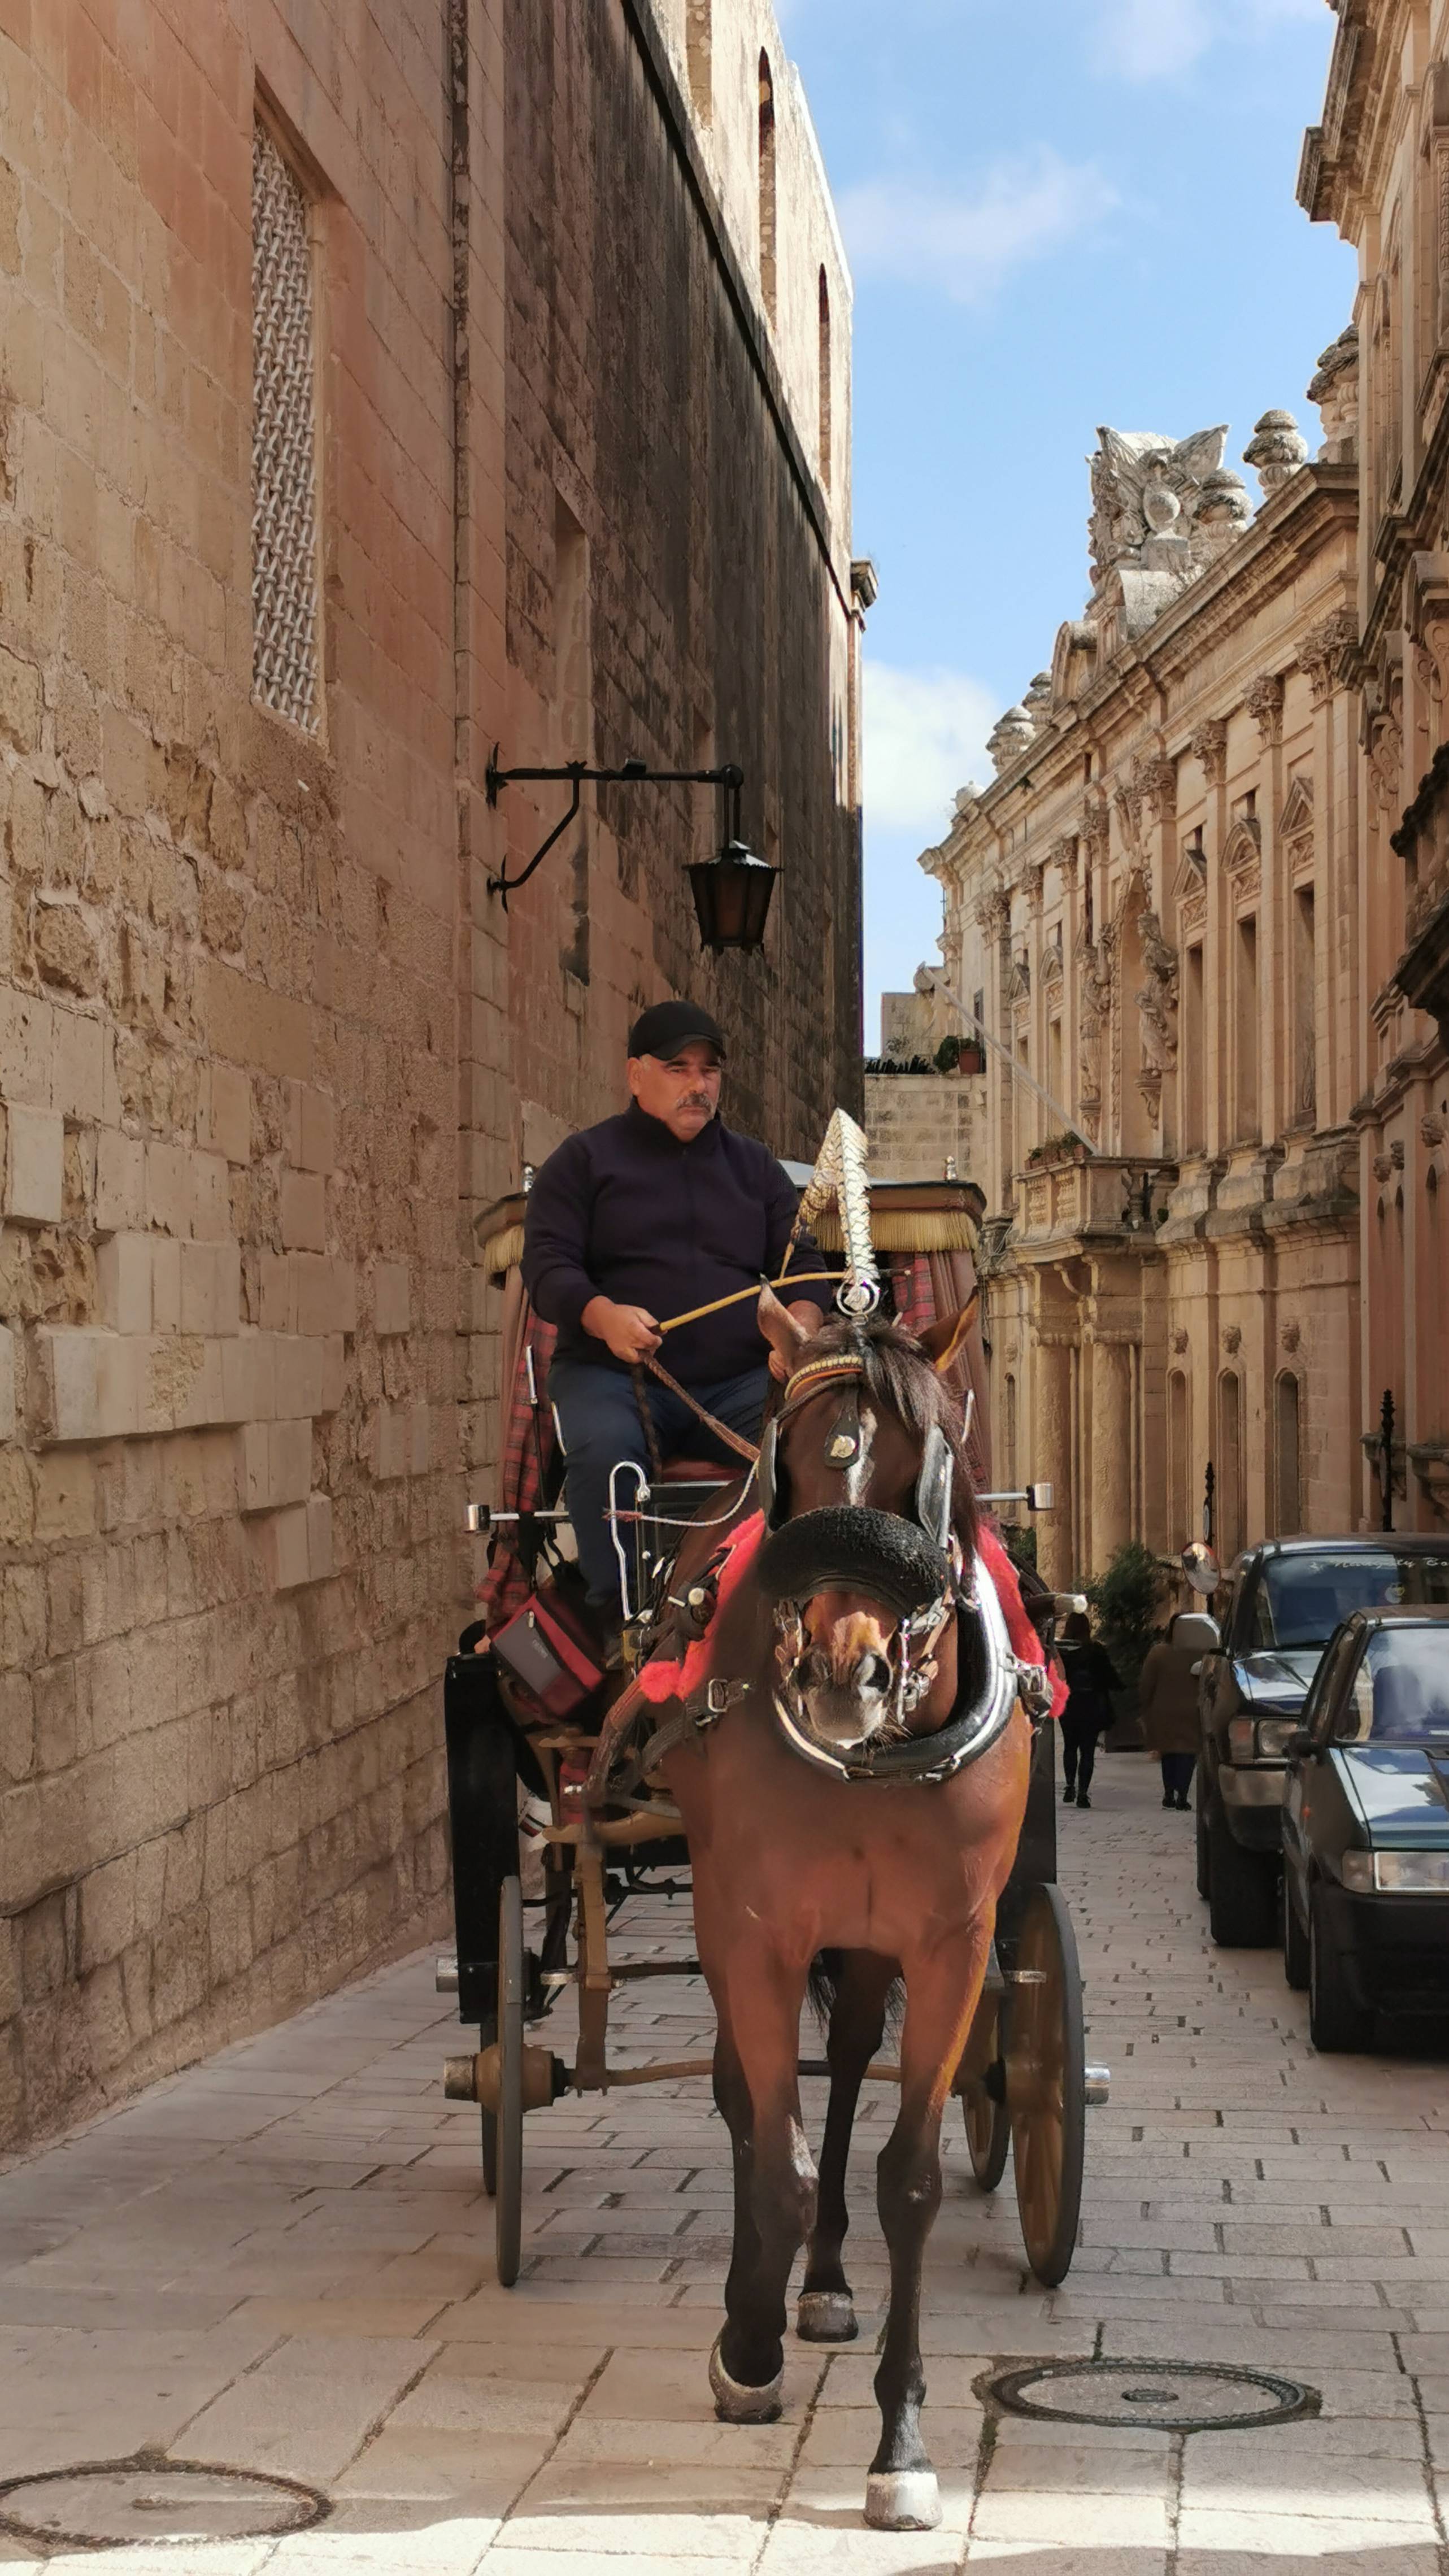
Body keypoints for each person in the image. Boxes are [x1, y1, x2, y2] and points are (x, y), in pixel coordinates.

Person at [522, 999, 824, 1622]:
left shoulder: (755, 1168)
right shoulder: (582, 1162)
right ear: (636, 1075)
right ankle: (621, 1623)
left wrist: (801, 1329)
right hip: (610, 1375)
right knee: (608, 1456)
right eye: (678, 1068)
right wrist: (604, 1316)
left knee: (808, 1450)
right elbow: (547, 1266)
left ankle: (788, 1609)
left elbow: (805, 1265)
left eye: (709, 1071)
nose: (698, 1085)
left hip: (742, 1380)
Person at [1137, 1612, 1203, 1808]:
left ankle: (1169, 1793)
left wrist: (1145, 1705)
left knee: (1169, 1753)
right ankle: (1182, 1794)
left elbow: (1146, 1683)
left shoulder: (1158, 1653)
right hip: (1192, 1710)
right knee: (1187, 1754)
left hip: (1163, 1712)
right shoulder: (1200, 1652)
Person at [1057, 1609, 1121, 1809]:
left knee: (1070, 1746)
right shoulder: (1096, 1650)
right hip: (1091, 1703)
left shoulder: (1062, 1650)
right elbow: (1109, 1677)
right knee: (1087, 1750)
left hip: (1069, 1702)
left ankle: (1069, 1785)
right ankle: (1083, 1792)